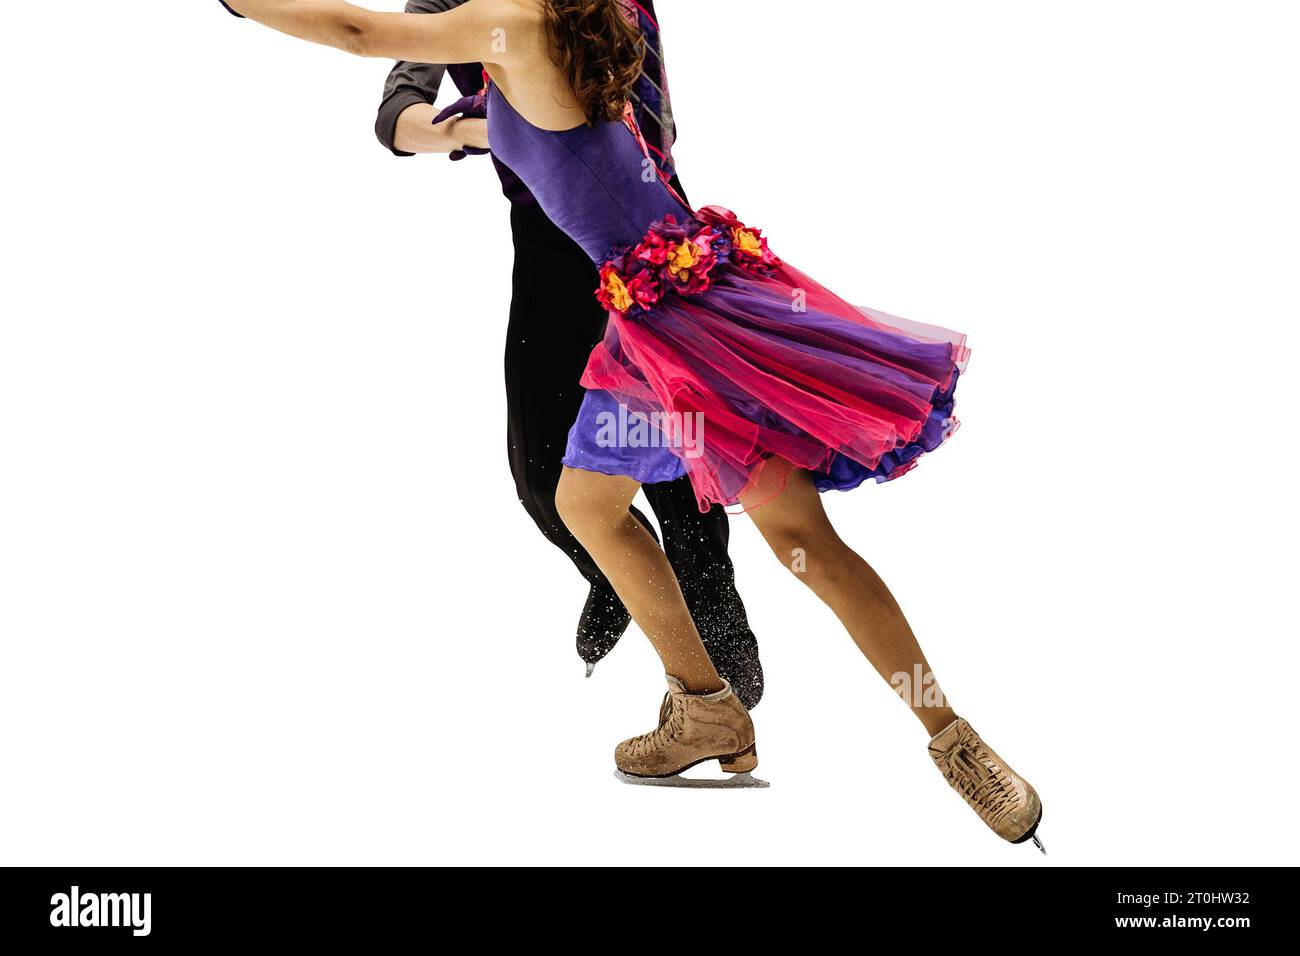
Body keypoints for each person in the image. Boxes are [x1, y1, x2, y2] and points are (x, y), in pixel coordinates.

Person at [214, 0, 1045, 851]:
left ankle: (954, 742)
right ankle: (706, 710)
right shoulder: (561, 25)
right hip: (650, 315)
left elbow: (363, 36)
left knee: (800, 542)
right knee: (586, 504)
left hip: (688, 328)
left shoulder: (514, 25)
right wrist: (429, 133)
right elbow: (458, 126)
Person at [221, 1, 765, 705]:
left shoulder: (565, 9)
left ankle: (718, 641)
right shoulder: (457, 8)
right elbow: (398, 116)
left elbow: (630, 106)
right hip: (548, 240)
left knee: (672, 462)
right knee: (544, 478)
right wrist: (502, 129)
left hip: (649, 239)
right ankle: (614, 569)